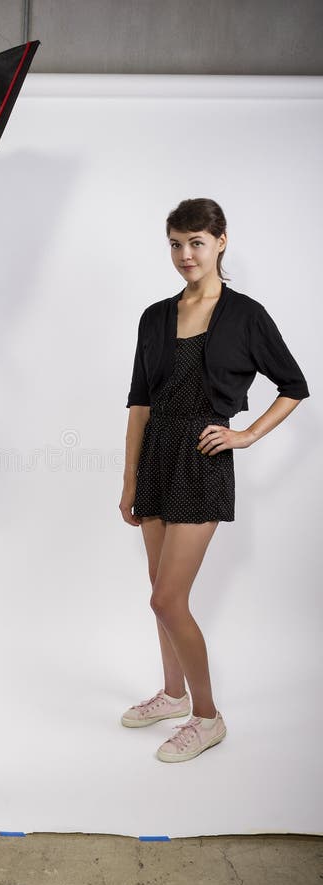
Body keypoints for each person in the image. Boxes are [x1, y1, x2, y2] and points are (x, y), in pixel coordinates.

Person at [118, 198, 308, 763]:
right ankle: (173, 694)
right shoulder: (155, 316)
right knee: (159, 595)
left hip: (202, 463)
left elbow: (294, 386)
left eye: (196, 243)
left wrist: (245, 435)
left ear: (220, 242)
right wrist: (129, 482)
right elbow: (139, 403)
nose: (186, 255)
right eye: (176, 244)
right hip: (156, 460)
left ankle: (206, 717)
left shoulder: (246, 315)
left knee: (167, 598)